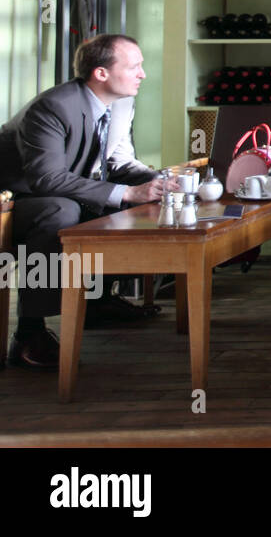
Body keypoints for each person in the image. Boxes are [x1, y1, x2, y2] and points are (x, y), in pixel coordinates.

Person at [0, 34, 166, 370]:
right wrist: (127, 192)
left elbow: (118, 162)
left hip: (57, 189)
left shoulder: (121, 102)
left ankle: (98, 301)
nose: (142, 74)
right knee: (61, 211)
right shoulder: (53, 107)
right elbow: (45, 179)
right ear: (101, 74)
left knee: (121, 201)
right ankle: (29, 334)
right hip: (14, 199)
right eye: (134, 66)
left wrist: (157, 180)